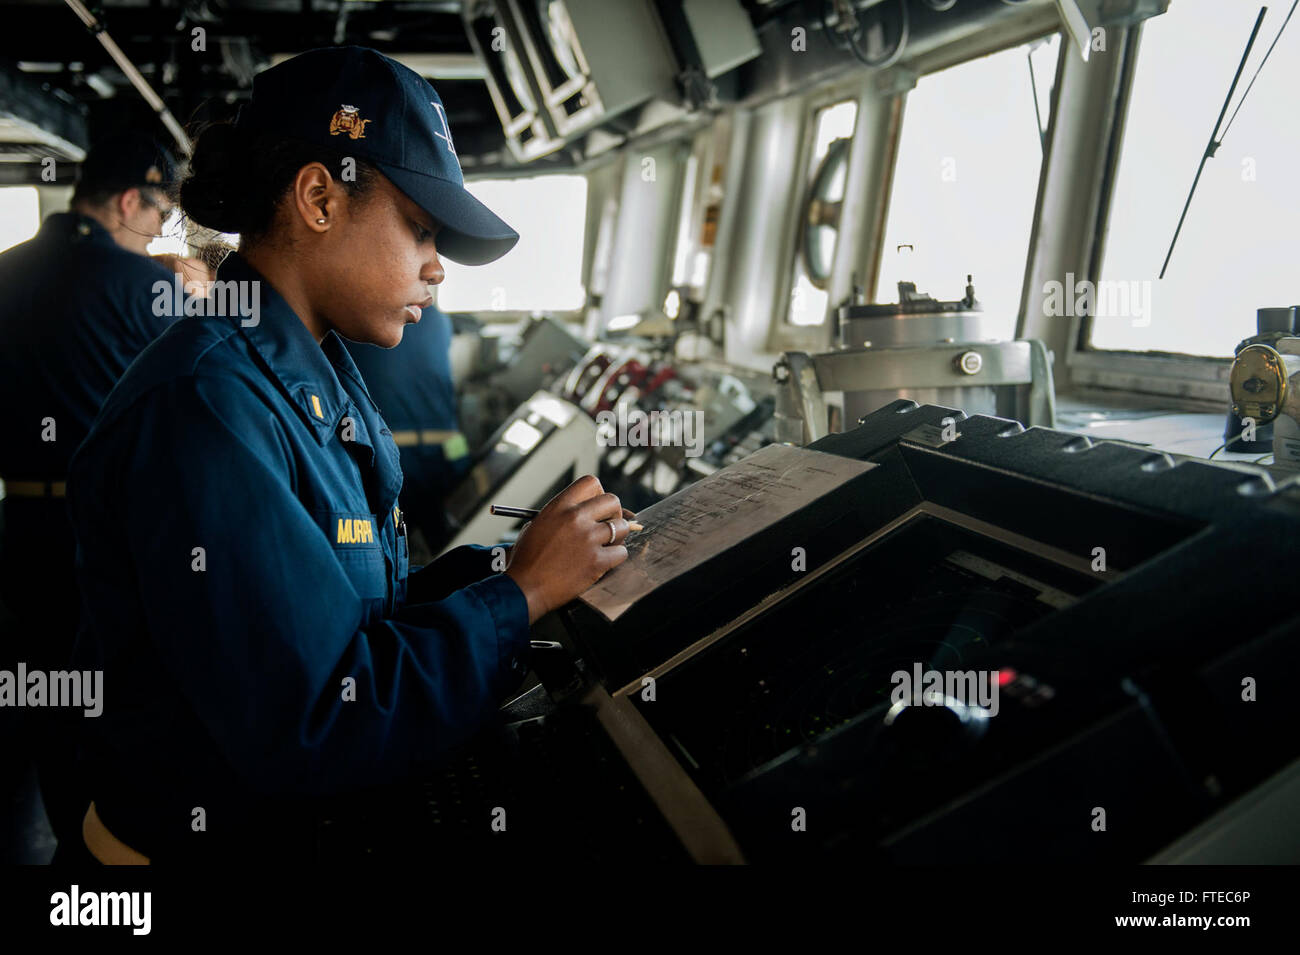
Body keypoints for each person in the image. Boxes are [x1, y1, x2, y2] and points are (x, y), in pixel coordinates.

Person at [65, 46, 631, 863]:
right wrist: (521, 595)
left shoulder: (307, 369)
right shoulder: (208, 408)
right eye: (422, 229)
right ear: (319, 197)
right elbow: (316, 717)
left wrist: (508, 567)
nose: (437, 267)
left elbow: (350, 608)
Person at [0, 130, 191, 849]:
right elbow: (186, 403)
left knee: (46, 688)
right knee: (119, 685)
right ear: (129, 199)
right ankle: (108, 846)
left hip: (19, 524)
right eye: (157, 217)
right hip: (108, 529)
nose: (155, 236)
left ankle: (59, 829)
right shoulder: (147, 286)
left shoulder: (6, 271)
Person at [343, 303, 471, 558]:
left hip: (394, 454)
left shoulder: (355, 320)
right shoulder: (437, 317)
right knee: (457, 533)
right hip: (452, 448)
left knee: (390, 548)